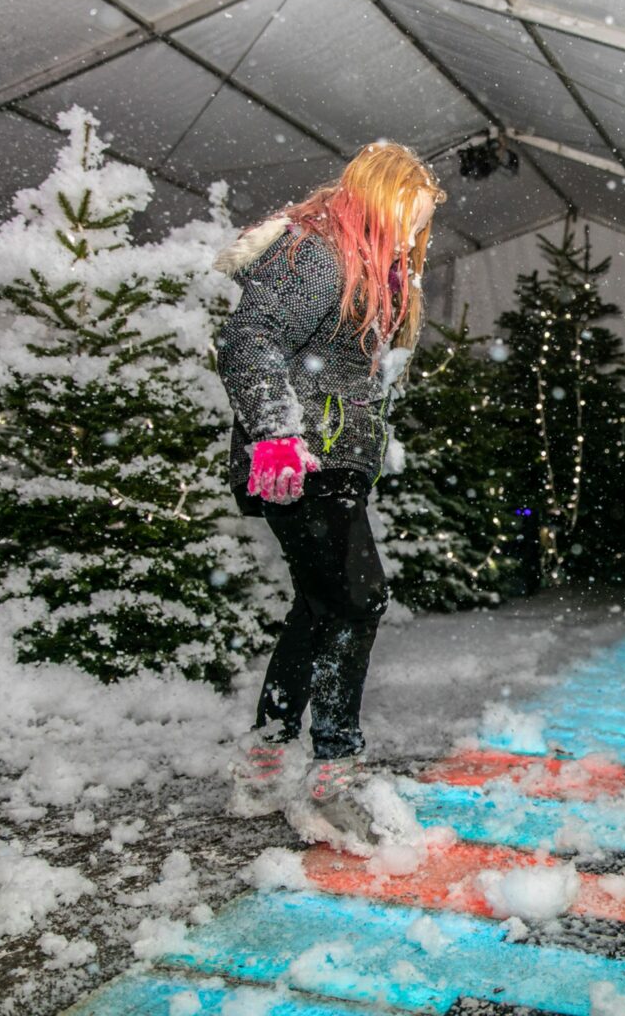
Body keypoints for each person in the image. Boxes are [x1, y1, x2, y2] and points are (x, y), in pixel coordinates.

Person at [211, 142, 445, 847]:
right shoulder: (320, 253)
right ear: (378, 194)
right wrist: (278, 432)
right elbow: (250, 338)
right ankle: (332, 770)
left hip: (335, 458)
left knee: (321, 605)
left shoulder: (375, 266)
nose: (412, 231)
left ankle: (264, 759)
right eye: (408, 213)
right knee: (358, 595)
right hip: (301, 456)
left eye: (422, 222)